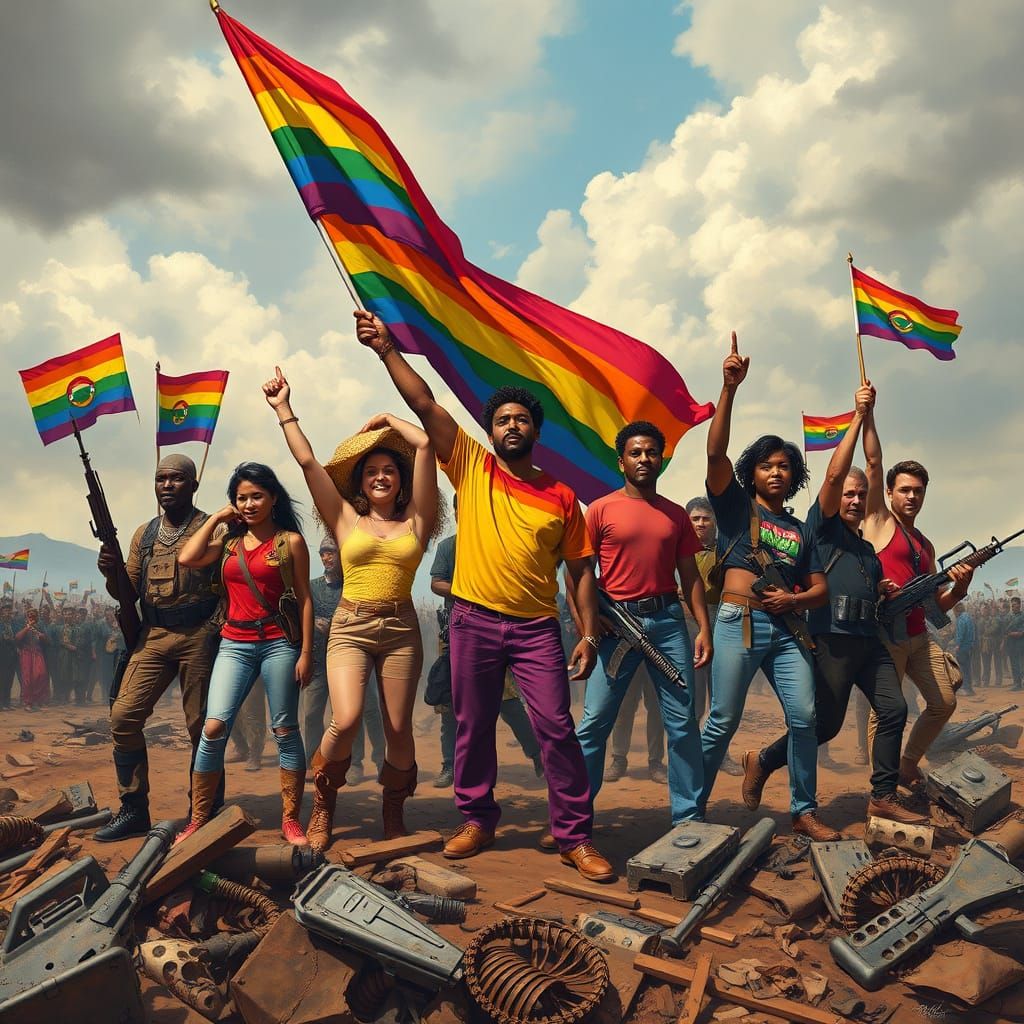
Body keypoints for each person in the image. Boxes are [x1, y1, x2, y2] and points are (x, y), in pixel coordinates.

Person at [356, 311, 614, 881]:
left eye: (522, 418)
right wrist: (386, 349)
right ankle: (475, 819)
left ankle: (575, 836)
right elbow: (426, 405)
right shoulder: (472, 466)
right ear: (490, 431)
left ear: (534, 431)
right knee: (473, 725)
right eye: (502, 419)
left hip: (536, 628)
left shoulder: (564, 497)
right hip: (471, 620)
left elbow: (578, 573)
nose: (512, 426)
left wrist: (589, 633)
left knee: (555, 727)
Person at [263, 366, 438, 851]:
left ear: (400, 482)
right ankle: (323, 804)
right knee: (346, 718)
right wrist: (283, 410)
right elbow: (309, 465)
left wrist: (386, 418)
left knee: (400, 729)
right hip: (351, 627)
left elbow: (424, 445)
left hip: (401, 628)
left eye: (388, 470)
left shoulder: (418, 522)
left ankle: (393, 811)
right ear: (360, 482)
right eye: (371, 471)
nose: (381, 476)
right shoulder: (345, 519)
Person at [741, 383, 924, 828]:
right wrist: (859, 417)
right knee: (825, 727)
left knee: (896, 709)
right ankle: (762, 760)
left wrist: (880, 589)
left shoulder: (864, 548)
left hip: (869, 640)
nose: (856, 500)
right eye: (849, 493)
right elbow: (836, 475)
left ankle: (882, 795)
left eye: (862, 495)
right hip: (832, 641)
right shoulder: (818, 529)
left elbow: (865, 582)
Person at [700, 333, 832, 840]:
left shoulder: (801, 531)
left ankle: (804, 808)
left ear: (794, 476)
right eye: (767, 465)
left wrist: (792, 598)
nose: (777, 471)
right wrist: (729, 388)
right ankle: (690, 810)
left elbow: (817, 587)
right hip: (739, 621)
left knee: (805, 719)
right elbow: (715, 452)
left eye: (785, 466)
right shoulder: (736, 509)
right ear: (751, 474)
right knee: (722, 721)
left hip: (785, 630)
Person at [573, 420, 711, 827]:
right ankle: (573, 818)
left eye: (652, 452)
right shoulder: (600, 509)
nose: (644, 459)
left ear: (661, 460)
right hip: (616, 625)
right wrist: (590, 621)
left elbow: (691, 576)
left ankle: (688, 819)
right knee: (595, 721)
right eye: (636, 452)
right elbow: (578, 571)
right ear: (622, 462)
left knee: (683, 722)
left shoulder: (675, 515)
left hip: (668, 622)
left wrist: (702, 627)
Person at [177, 463, 313, 845]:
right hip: (234, 644)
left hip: (279, 644)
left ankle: (290, 819)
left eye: (256, 496)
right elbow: (188, 557)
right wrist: (218, 517)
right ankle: (198, 818)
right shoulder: (229, 542)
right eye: (241, 498)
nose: (249, 504)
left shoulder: (291, 543)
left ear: (273, 498)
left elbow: (304, 598)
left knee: (284, 729)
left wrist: (306, 651)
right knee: (213, 727)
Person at [95, 454, 223, 843]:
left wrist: (218, 629)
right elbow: (128, 593)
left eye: (177, 479)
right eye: (161, 478)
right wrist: (111, 571)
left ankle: (205, 810)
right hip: (152, 636)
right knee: (123, 717)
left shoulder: (211, 529)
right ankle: (134, 808)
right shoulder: (144, 535)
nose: (167, 485)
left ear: (194, 484)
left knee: (202, 726)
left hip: (199, 635)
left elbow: (230, 581)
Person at [860, 417, 973, 786]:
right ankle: (884, 783)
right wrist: (868, 414)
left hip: (917, 638)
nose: (912, 496)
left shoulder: (925, 546)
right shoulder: (878, 522)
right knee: (887, 712)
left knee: (944, 702)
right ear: (890, 493)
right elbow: (874, 464)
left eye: (919, 491)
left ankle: (908, 762)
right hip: (886, 637)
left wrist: (959, 588)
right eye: (905, 489)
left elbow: (935, 609)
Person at [429, 496, 543, 788]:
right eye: (461, 508)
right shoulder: (448, 546)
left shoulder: (497, 543)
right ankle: (448, 767)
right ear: (455, 512)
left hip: (495, 632)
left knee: (508, 703)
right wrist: (465, 589)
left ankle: (539, 756)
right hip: (456, 635)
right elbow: (436, 582)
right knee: (451, 706)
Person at [303, 536, 386, 784]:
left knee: (355, 712)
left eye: (331, 553)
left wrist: (339, 625)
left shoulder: (353, 586)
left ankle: (358, 763)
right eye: (322, 553)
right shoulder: (312, 586)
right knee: (311, 714)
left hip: (353, 658)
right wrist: (312, 622)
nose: (326, 558)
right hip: (319, 660)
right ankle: (313, 761)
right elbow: (302, 614)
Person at [15, 607, 49, 710]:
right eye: (29, 615)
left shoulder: (41, 625)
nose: (31, 616)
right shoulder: (22, 624)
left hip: (37, 652)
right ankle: (28, 702)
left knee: (40, 675)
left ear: (36, 616)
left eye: (33, 615)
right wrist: (27, 627)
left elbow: (47, 641)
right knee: (27, 678)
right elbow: (17, 638)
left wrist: (41, 635)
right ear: (27, 616)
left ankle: (38, 700)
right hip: (26, 653)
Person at [953, 604, 977, 696]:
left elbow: (960, 634)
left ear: (956, 610)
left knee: (963, 668)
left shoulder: (961, 619)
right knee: (967, 667)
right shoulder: (969, 617)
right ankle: (969, 689)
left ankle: (966, 688)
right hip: (969, 646)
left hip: (962, 647)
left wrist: (957, 645)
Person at [0, 602, 17, 710]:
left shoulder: (13, 625)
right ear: (2, 612)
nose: (8, 613)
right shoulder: (1, 625)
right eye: (6, 611)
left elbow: (15, 639)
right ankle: (1, 704)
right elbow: (5, 638)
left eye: (9, 611)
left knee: (9, 680)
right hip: (2, 655)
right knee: (2, 680)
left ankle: (7, 702)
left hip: (12, 655)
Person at [1006, 596, 1024, 691]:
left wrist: (1013, 633)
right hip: (1011, 644)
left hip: (1020, 644)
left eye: (1015, 605)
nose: (1013, 607)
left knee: (1022, 664)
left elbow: (1021, 632)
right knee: (1014, 664)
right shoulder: (1009, 617)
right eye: (1012, 606)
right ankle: (1017, 683)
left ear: (1019, 605)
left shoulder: (1022, 616)